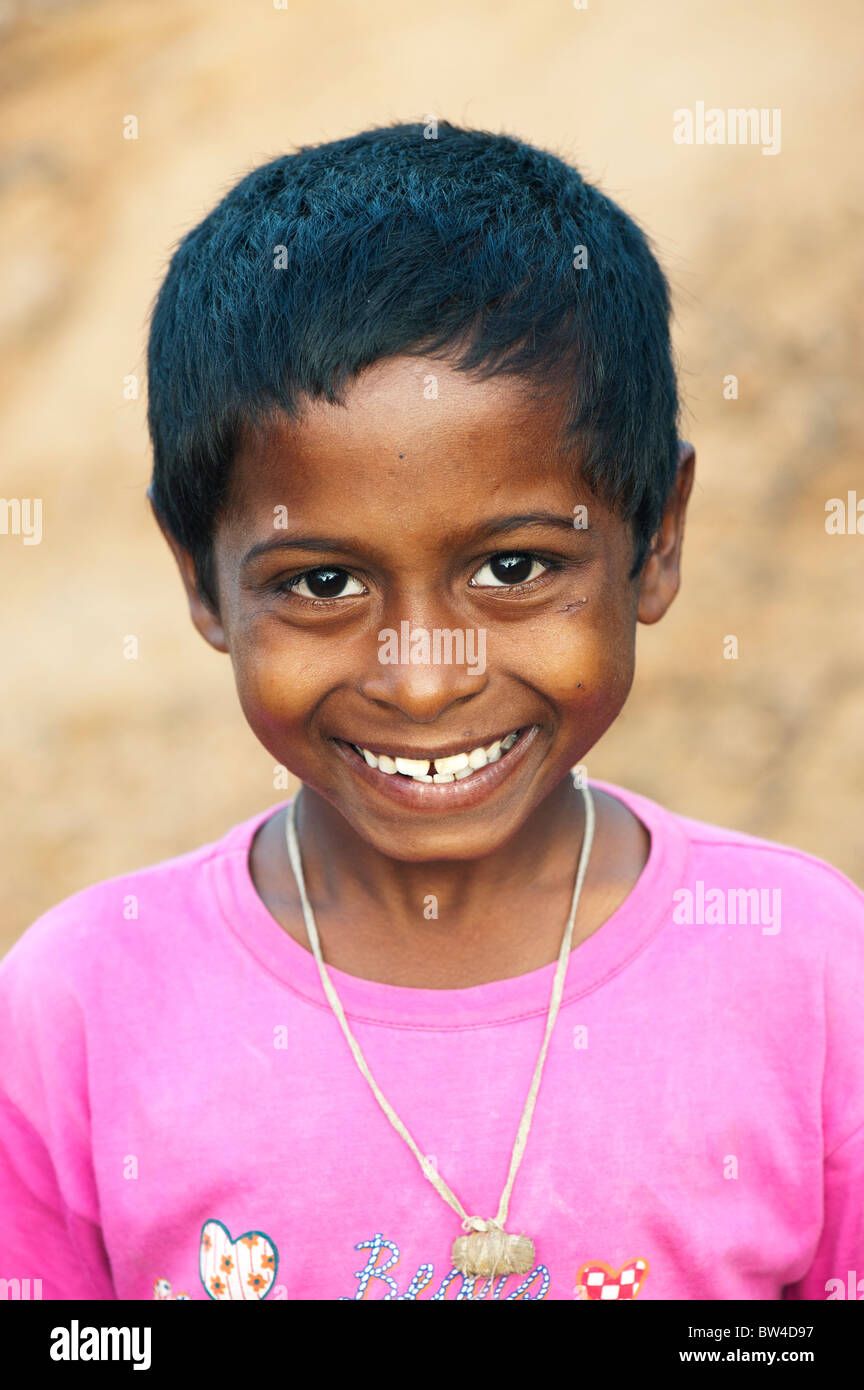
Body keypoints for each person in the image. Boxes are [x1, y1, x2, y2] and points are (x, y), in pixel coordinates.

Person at [1, 122, 862, 1302]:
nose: (422, 676)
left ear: (657, 536)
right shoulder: (78, 1010)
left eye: (512, 569)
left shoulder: (809, 969)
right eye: (322, 582)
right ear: (201, 579)